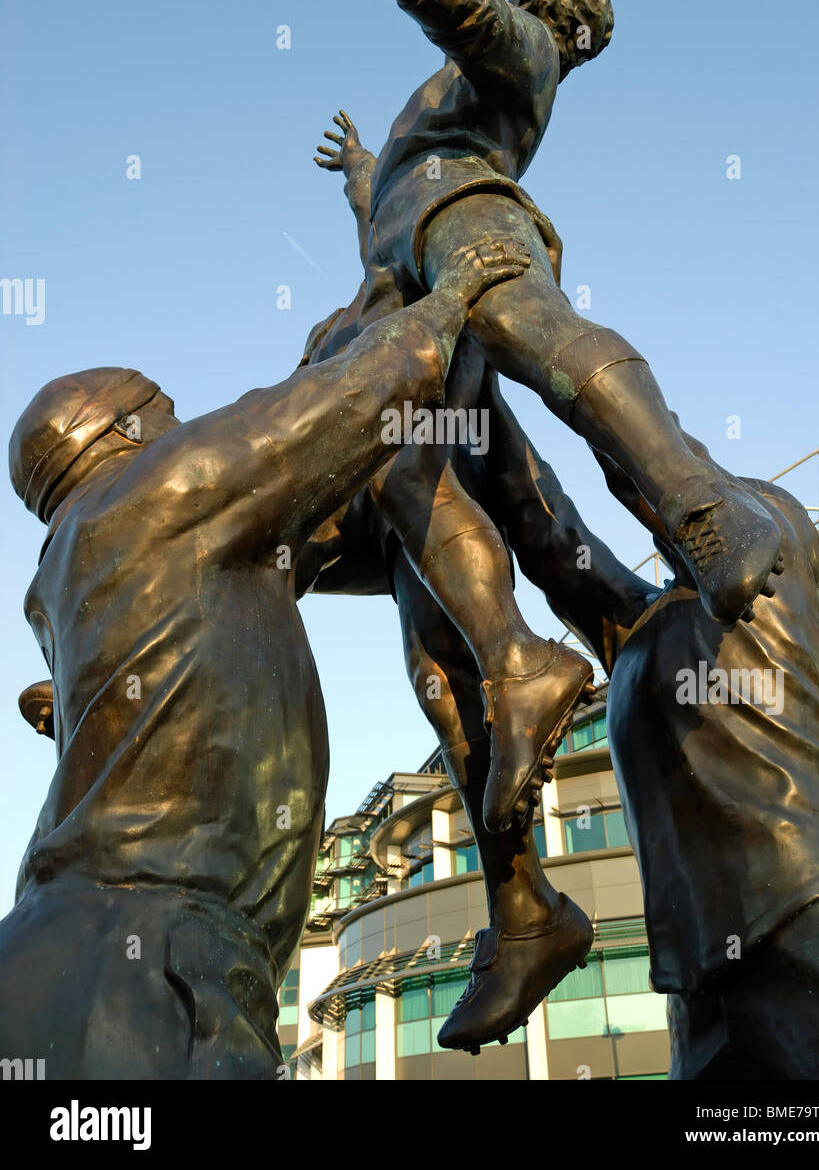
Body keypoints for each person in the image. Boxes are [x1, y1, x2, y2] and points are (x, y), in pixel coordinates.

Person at [238, 0, 783, 652]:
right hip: (406, 279)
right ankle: (602, 622)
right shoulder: (464, 89)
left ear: (557, 17)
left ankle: (701, 501)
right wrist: (359, 169)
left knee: (532, 331)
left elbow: (460, 5)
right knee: (480, 476)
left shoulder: (526, 50)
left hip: (466, 216)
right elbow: (384, 204)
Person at [0, 239, 527, 1079]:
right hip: (152, 961)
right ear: (119, 430)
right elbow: (356, 396)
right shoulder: (158, 487)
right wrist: (453, 293)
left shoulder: (70, 578)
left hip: (55, 950)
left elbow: (301, 534)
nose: (183, 427)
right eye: (166, 415)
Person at [490, 412, 819, 1080]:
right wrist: (471, 397)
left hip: (816, 909)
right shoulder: (643, 634)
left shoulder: (767, 566)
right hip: (703, 970)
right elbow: (543, 531)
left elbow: (633, 456)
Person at [309, 104, 593, 834]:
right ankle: (522, 903)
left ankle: (520, 660)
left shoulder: (411, 269)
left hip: (429, 401)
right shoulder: (340, 328)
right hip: (381, 485)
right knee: (431, 671)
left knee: (410, 474)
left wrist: (360, 170)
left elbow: (380, 209)